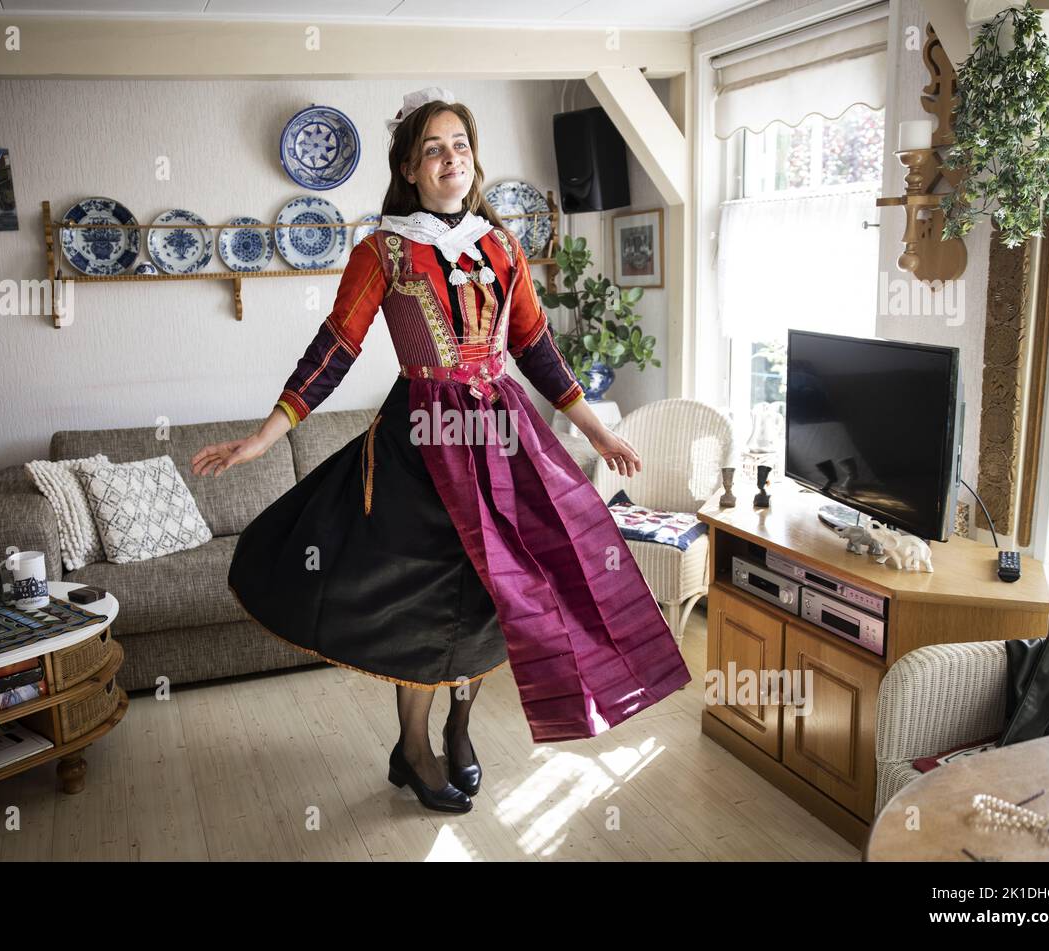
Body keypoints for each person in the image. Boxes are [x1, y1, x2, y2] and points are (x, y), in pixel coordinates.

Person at [192, 88, 690, 815]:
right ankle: (414, 748)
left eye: (460, 144)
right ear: (409, 168)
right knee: (426, 606)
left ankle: (461, 728)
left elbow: (535, 349)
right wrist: (267, 434)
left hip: (501, 435)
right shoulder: (382, 251)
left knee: (498, 595)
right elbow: (335, 347)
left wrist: (598, 430)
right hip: (420, 444)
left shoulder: (502, 245)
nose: (451, 157)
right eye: (434, 148)